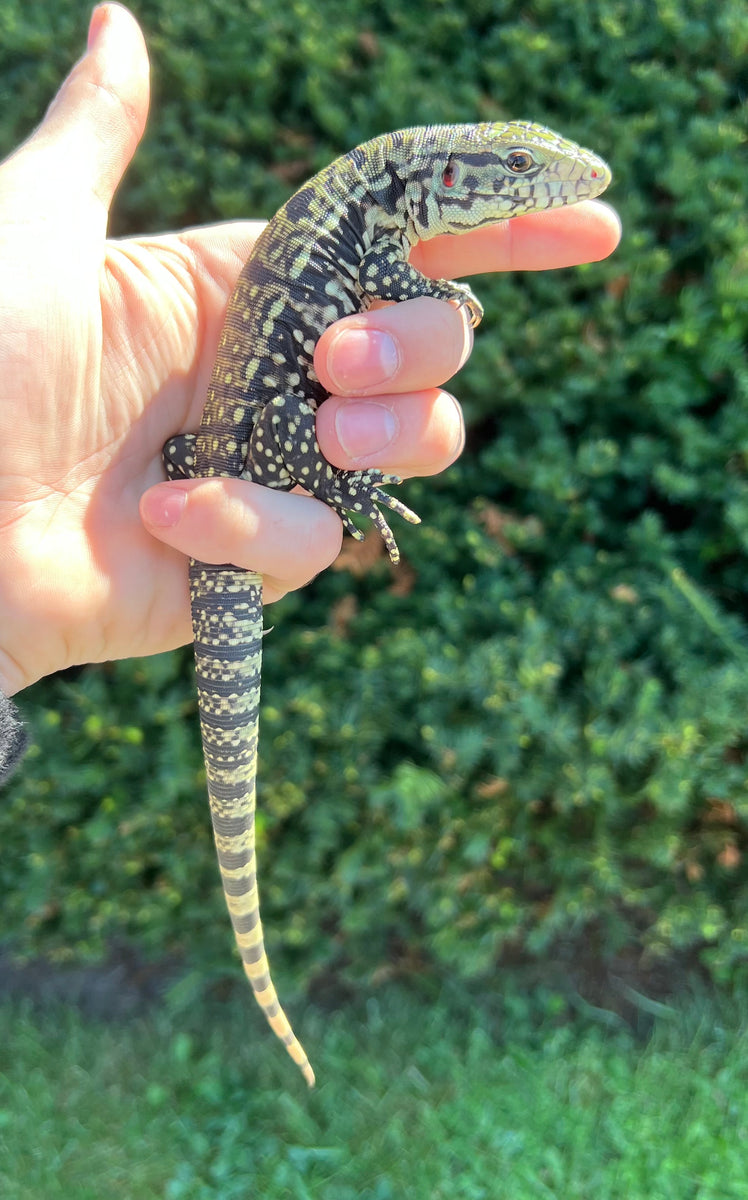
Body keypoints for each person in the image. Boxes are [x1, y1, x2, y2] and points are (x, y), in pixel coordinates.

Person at [0, 3, 621, 780]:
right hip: (224, 456)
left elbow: (382, 271)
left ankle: (337, 480)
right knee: (304, 419)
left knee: (306, 418)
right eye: (522, 167)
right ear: (448, 177)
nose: (556, 177)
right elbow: (381, 275)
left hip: (211, 466)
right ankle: (344, 481)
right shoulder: (373, 218)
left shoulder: (377, 213)